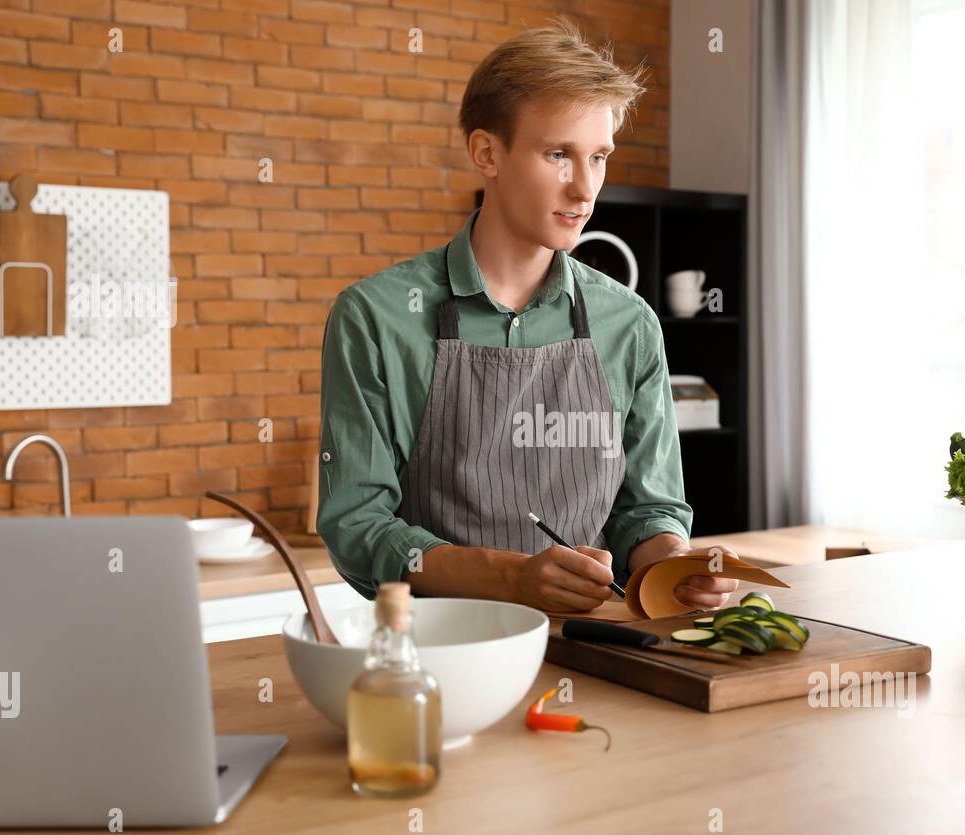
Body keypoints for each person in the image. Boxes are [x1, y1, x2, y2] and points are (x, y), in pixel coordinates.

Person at [317, 19, 739, 614]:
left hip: (597, 643)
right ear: (487, 152)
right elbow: (357, 524)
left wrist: (672, 564)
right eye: (559, 155)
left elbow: (647, 511)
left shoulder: (631, 324)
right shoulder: (375, 318)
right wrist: (507, 578)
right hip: (443, 652)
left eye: (598, 157)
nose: (586, 189)